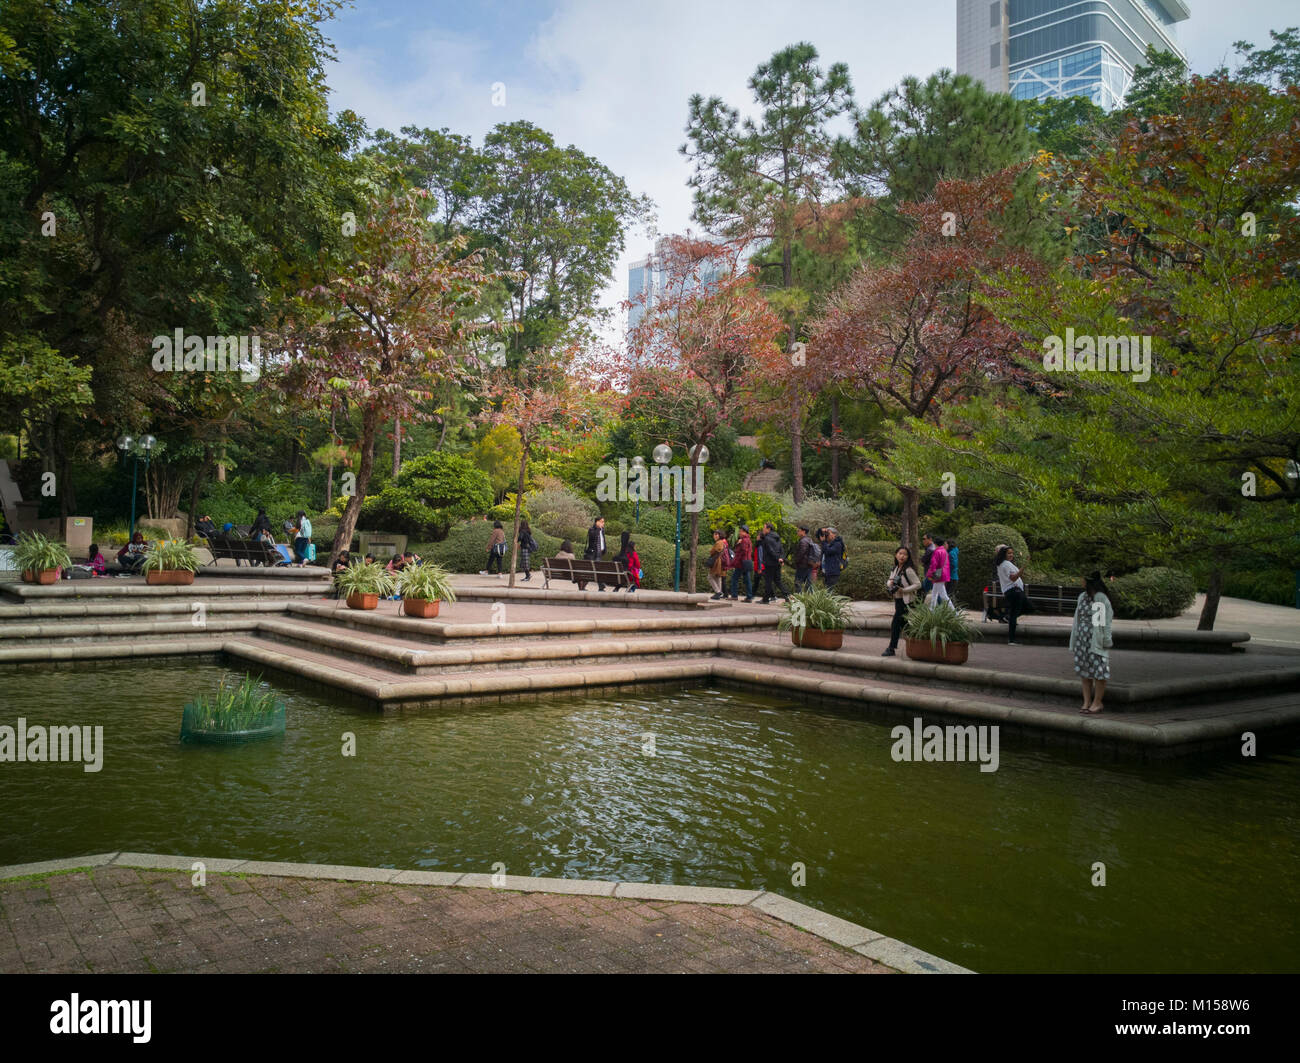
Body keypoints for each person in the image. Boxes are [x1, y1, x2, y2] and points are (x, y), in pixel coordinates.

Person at [1071, 571, 1114, 714]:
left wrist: (1105, 640)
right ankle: (1086, 701)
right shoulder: (1082, 597)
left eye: (1083, 577)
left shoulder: (1099, 598)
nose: (1080, 580)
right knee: (1085, 671)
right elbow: (1077, 619)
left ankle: (1097, 702)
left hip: (1095, 640)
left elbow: (1103, 622)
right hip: (1082, 640)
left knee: (1099, 671)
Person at [883, 546, 922, 657]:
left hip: (907, 601)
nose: (902, 556)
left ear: (908, 557)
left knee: (896, 623)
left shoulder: (908, 570)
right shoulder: (895, 568)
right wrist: (890, 585)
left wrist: (904, 590)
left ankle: (891, 648)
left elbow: (918, 584)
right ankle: (920, 642)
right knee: (905, 624)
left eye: (905, 554)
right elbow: (890, 580)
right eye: (900, 553)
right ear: (896, 555)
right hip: (898, 600)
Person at [995, 544, 1029, 644]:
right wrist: (1023, 567)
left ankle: (1008, 617)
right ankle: (1011, 638)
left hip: (1015, 591)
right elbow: (1013, 578)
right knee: (1024, 609)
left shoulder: (1005, 564)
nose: (1011, 555)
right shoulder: (1005, 564)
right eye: (1009, 553)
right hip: (1014, 591)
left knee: (1025, 608)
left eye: (1012, 553)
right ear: (1003, 554)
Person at [757, 522, 790, 604]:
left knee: (768, 581)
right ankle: (787, 595)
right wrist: (781, 558)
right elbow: (781, 549)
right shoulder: (777, 537)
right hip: (777, 562)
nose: (763, 529)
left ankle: (765, 599)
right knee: (777, 580)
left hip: (769, 562)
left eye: (764, 528)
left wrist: (777, 558)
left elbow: (770, 550)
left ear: (768, 529)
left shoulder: (767, 538)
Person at [728, 524, 754, 602]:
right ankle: (749, 596)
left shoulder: (744, 540)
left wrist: (735, 561)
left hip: (741, 563)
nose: (739, 532)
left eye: (740, 531)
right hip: (746, 562)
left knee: (734, 579)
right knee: (747, 580)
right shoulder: (747, 540)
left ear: (744, 532)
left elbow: (742, 551)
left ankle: (734, 595)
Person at [926, 536, 953, 608]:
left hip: (938, 574)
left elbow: (933, 564)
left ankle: (954, 613)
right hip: (943, 574)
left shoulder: (937, 551)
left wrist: (930, 574)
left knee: (943, 595)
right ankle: (931, 610)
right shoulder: (945, 551)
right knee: (934, 593)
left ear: (935, 543)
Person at [582, 516, 607, 591]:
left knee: (598, 569)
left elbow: (603, 540)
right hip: (593, 554)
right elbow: (593, 537)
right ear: (597, 522)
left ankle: (601, 586)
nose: (603, 523)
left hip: (599, 554)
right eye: (602, 522)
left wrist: (604, 549)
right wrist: (598, 528)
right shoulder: (592, 530)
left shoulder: (602, 530)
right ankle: (600, 585)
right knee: (592, 570)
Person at [793, 524, 818, 592]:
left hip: (802, 565)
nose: (797, 532)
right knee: (808, 583)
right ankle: (811, 599)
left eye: (799, 531)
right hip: (809, 564)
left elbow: (801, 553)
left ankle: (799, 598)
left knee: (798, 582)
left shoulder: (803, 541)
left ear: (803, 531)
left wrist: (796, 561)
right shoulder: (809, 540)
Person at [707, 528, 730, 600]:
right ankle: (719, 593)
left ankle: (718, 592)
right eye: (714, 534)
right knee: (718, 577)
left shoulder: (719, 542)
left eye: (717, 534)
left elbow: (715, 551)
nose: (715, 536)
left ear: (720, 535)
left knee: (710, 577)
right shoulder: (722, 542)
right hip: (719, 562)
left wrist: (711, 550)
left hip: (717, 562)